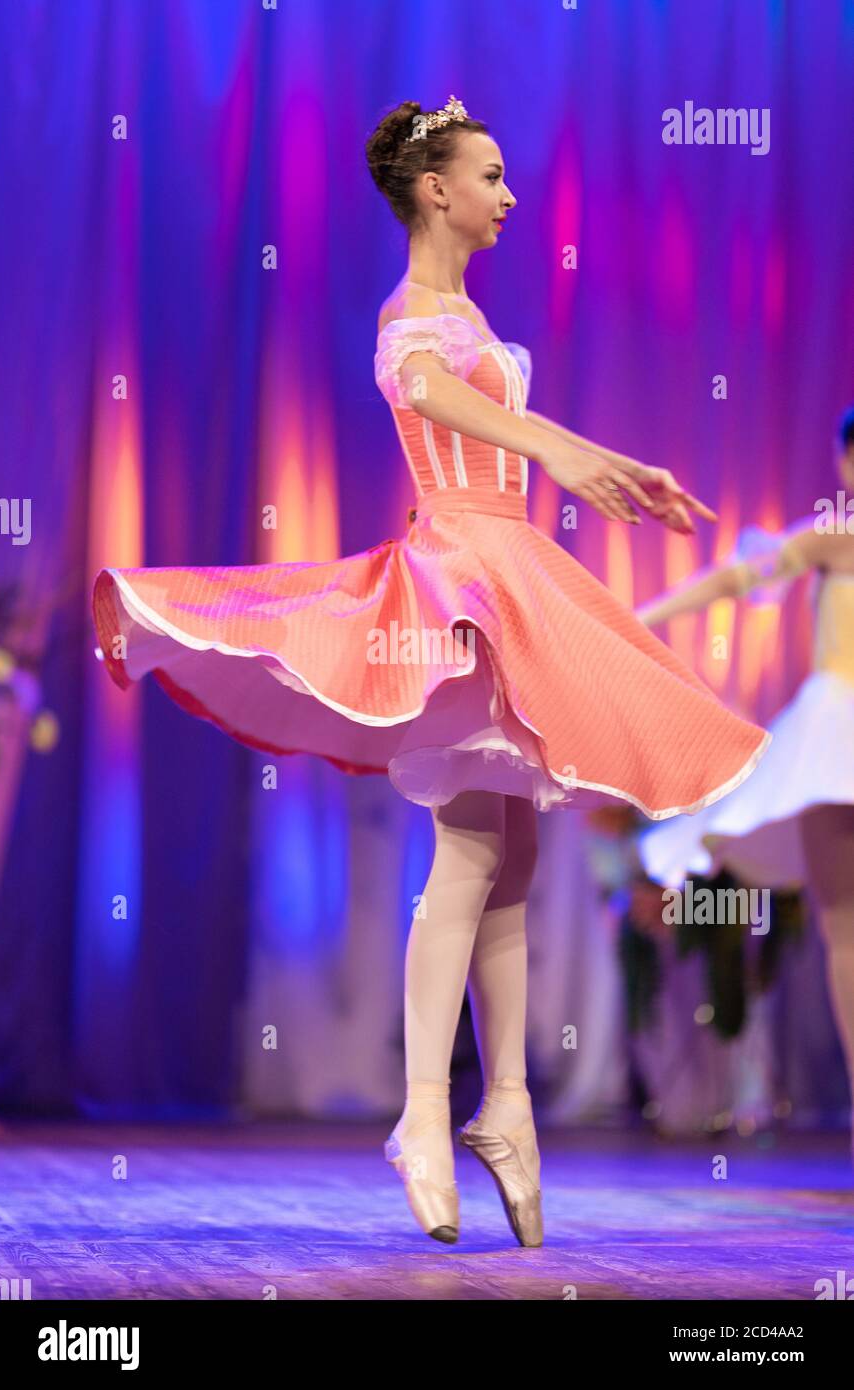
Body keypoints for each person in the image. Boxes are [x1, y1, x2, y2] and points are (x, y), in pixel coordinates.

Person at [91, 95, 774, 1246]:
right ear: (434, 191)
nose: (509, 195)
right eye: (491, 175)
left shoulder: (463, 307)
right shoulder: (409, 317)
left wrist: (616, 462)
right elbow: (429, 396)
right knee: (470, 844)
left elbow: (500, 412)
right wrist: (562, 449)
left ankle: (506, 1101)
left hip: (512, 563)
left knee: (511, 844)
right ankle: (422, 1112)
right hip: (458, 576)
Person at [635, 405, 854, 1154]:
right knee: (843, 931)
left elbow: (732, 578)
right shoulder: (832, 539)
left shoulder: (834, 537)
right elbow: (737, 577)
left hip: (833, 731)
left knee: (845, 933)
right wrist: (642, 618)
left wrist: (640, 617)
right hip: (831, 735)